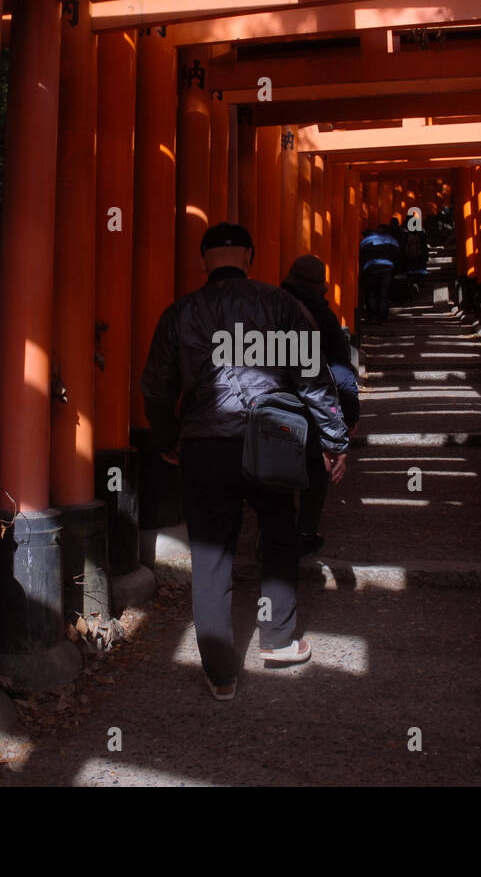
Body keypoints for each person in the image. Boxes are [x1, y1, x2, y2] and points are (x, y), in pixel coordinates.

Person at [141, 223, 350, 701]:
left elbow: (155, 385)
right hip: (271, 438)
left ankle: (220, 673)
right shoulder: (280, 306)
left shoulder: (180, 313)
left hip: (205, 442)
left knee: (213, 556)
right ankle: (278, 640)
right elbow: (313, 379)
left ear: (203, 260)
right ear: (251, 257)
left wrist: (167, 437)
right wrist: (334, 440)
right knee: (278, 533)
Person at [281, 254, 360, 553]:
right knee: (316, 465)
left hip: (273, 399)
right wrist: (349, 412)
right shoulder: (323, 316)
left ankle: (276, 532)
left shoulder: (270, 306)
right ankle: (305, 531)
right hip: (312, 400)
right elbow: (340, 369)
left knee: (276, 463)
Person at [359, 223, 401, 323]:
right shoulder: (392, 240)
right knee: (383, 294)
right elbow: (398, 257)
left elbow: (361, 255)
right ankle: (383, 318)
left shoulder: (366, 240)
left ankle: (372, 317)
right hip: (386, 269)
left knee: (370, 293)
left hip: (371, 268)